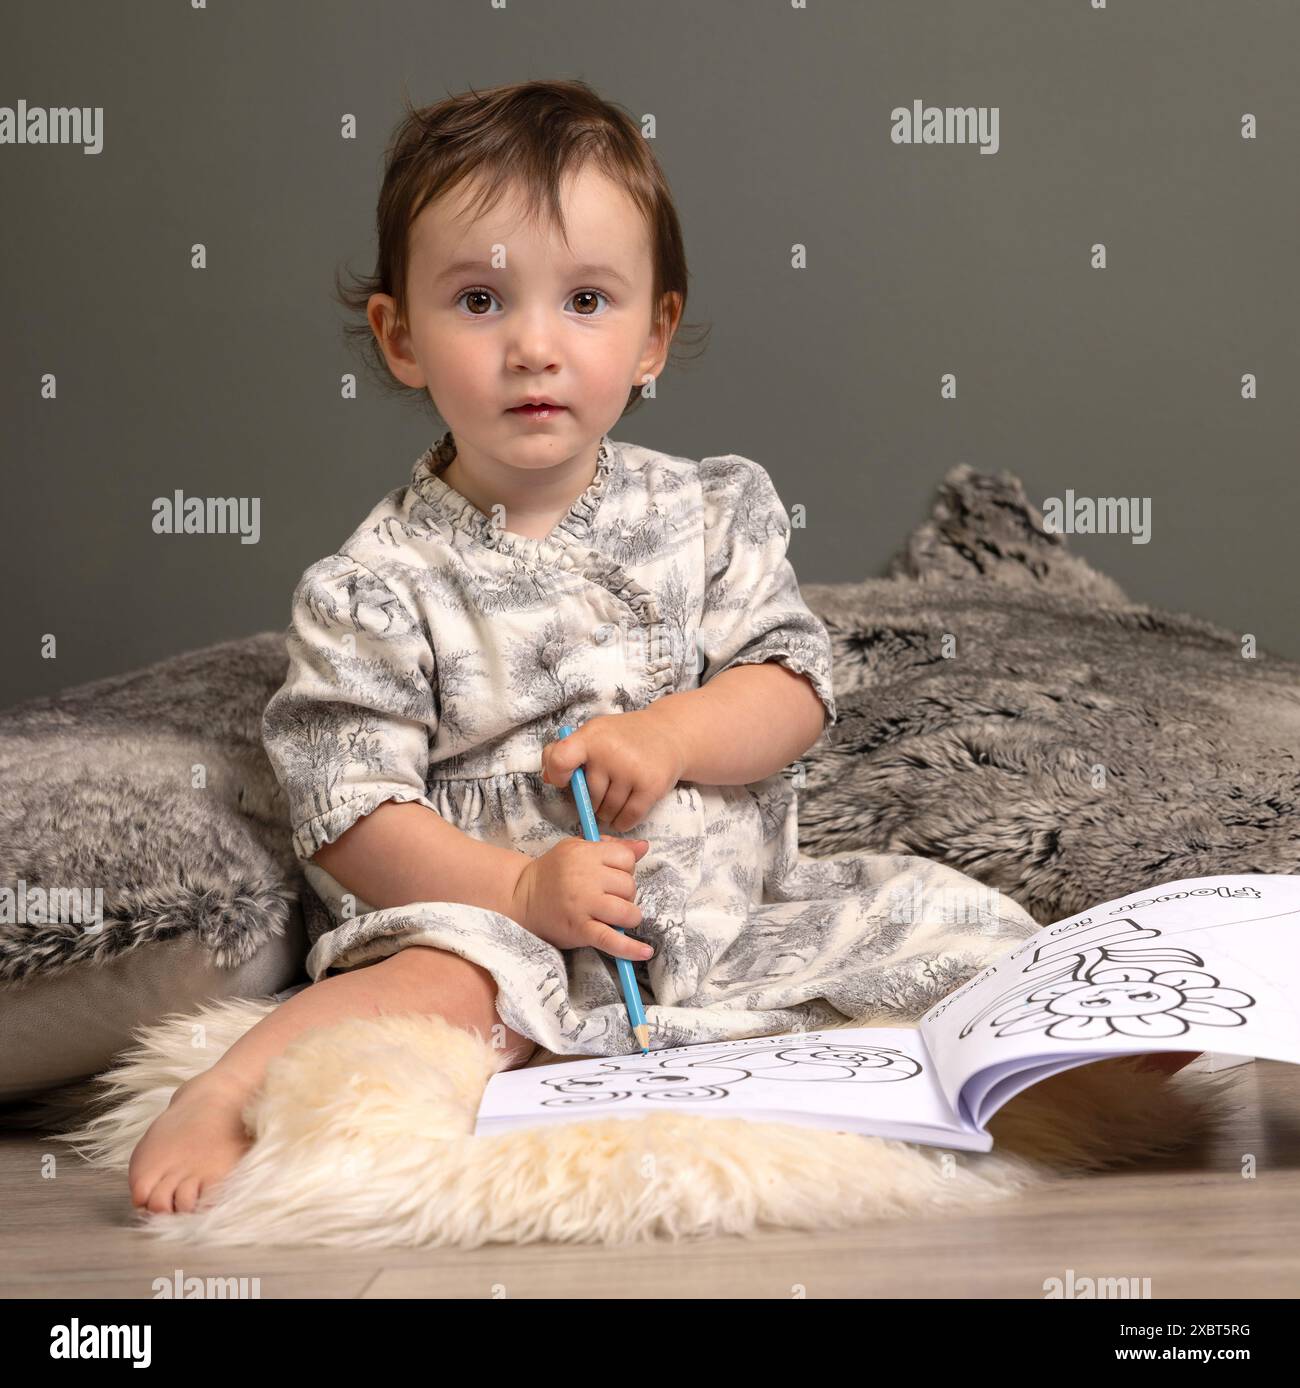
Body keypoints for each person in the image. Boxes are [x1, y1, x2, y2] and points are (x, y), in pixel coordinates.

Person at [127, 79, 1190, 1217]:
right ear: (400, 338)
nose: (535, 346)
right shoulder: (376, 584)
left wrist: (673, 732)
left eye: (586, 299)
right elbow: (352, 815)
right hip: (497, 918)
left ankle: (1067, 1032)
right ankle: (227, 1085)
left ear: (653, 336)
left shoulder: (709, 514)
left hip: (738, 909)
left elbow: (790, 686)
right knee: (435, 981)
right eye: (480, 300)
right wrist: (522, 888)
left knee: (926, 907)